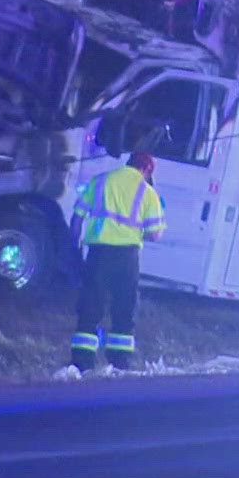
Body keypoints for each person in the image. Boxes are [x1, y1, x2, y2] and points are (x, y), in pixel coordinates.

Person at [66, 151, 165, 376]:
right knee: (124, 311)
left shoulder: (100, 181)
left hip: (98, 255)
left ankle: (81, 364)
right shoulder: (148, 193)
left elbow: (77, 216)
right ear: (147, 170)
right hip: (127, 258)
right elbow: (155, 234)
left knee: (90, 308)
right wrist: (137, 230)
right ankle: (119, 365)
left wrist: (74, 248)